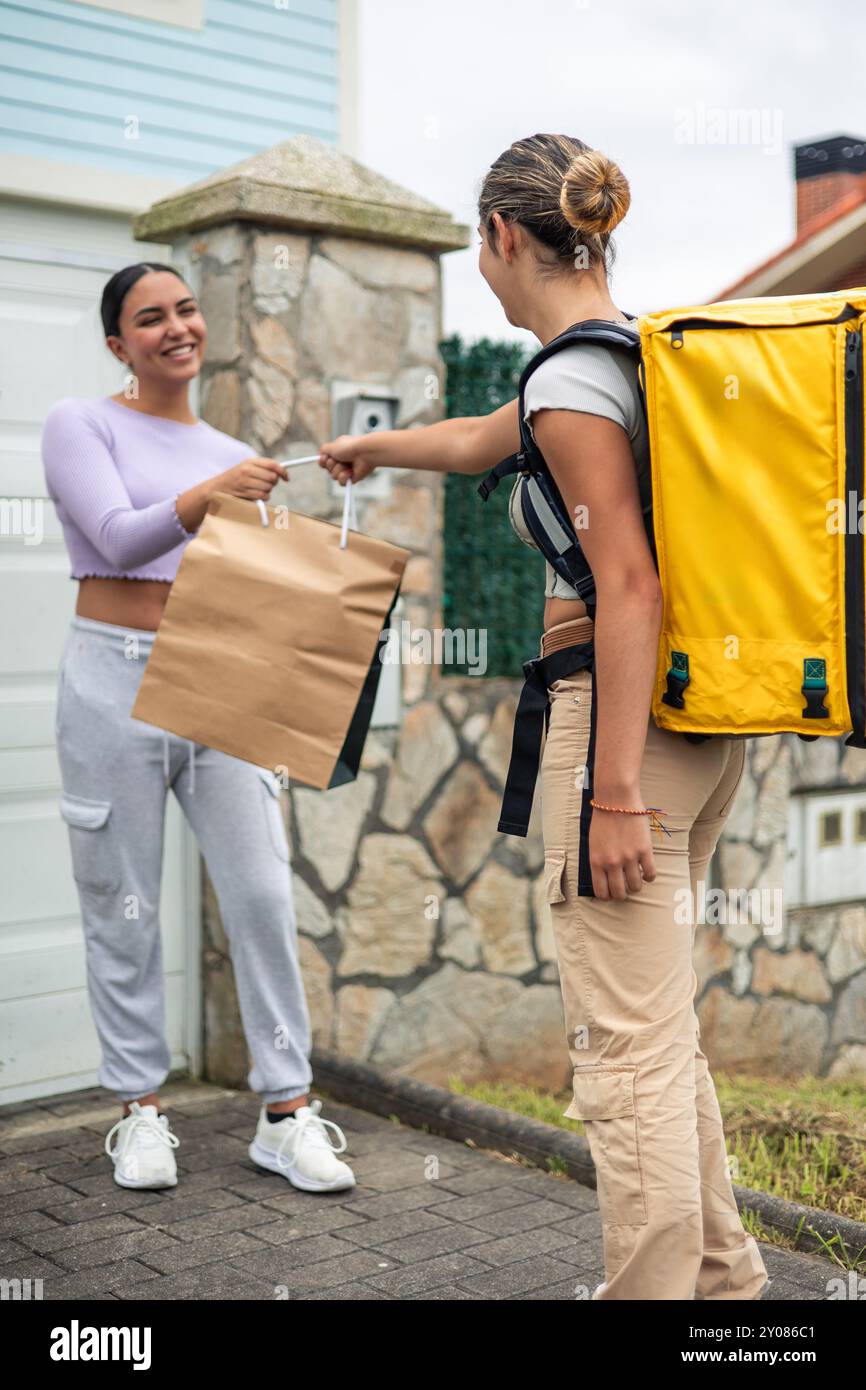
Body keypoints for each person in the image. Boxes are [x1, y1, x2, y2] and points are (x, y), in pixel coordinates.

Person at [317, 134, 769, 1300]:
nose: (480, 260)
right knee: (658, 1040)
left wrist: (608, 792)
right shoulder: (616, 363)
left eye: (477, 242)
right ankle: (722, 1291)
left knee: (622, 1061)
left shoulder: (570, 384)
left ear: (503, 238)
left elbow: (627, 585)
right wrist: (375, 446)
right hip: (702, 739)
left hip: (621, 744)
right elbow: (484, 437)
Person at [43, 262, 354, 1195]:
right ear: (118, 343)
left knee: (261, 894)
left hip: (219, 670)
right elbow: (117, 535)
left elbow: (255, 578)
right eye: (150, 318)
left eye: (184, 310)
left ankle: (287, 1114)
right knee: (122, 899)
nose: (175, 327)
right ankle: (140, 1111)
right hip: (110, 675)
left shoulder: (231, 445)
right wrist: (220, 493)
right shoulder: (80, 424)